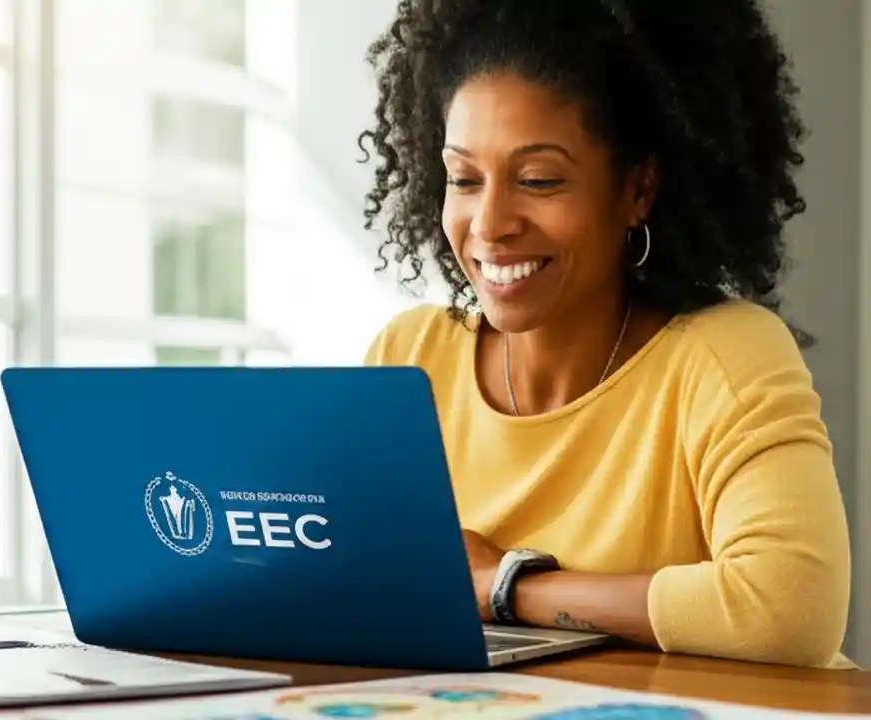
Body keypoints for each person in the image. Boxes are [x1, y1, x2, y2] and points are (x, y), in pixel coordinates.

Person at [358, 0, 852, 668]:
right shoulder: (409, 359)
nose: (491, 221)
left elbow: (790, 609)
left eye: (538, 179)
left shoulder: (725, 355)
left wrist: (506, 586)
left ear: (637, 189)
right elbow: (354, 586)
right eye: (465, 179)